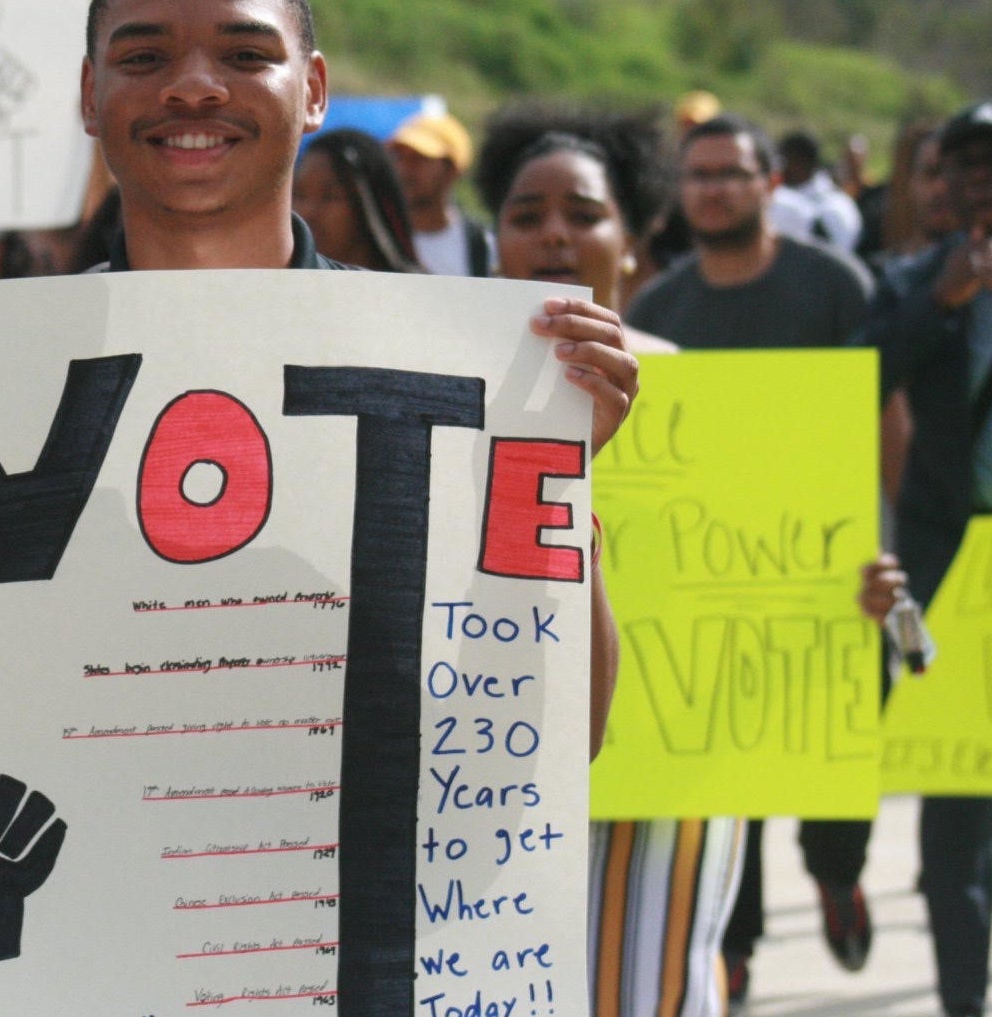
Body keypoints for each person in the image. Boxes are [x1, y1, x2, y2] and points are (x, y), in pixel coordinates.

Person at [0, 0, 636, 772]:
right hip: (88, 937)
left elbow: (561, 732)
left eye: (247, 54)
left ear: (315, 88)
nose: (193, 86)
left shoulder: (448, 367)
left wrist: (553, 474)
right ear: (89, 95)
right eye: (143, 58)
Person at [479, 105, 747, 1017]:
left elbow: (760, 572)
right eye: (527, 213)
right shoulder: (441, 388)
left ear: (632, 241)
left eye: (584, 213)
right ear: (497, 240)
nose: (554, 231)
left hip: (667, 779)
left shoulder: (706, 394)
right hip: (487, 761)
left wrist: (846, 597)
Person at [624, 112, 875, 1008]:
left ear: (771, 184)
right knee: (736, 783)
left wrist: (867, 544)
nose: (713, 190)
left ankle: (838, 873)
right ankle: (736, 957)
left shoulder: (837, 286)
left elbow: (878, 421)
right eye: (697, 175)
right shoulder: (657, 309)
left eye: (731, 173)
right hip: (710, 584)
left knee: (833, 788)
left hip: (822, 581)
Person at [855, 98, 992, 1017]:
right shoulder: (910, 280)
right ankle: (966, 998)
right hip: (954, 566)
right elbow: (855, 382)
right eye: (963, 165)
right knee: (962, 799)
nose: (984, 181)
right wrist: (943, 301)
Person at [293, 126, 421, 272]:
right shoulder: (280, 287)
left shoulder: (414, 290)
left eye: (329, 197)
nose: (309, 211)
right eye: (299, 194)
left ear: (370, 206)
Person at [388, 109, 496, 277]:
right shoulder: (376, 238)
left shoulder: (485, 247)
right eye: (399, 157)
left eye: (420, 158)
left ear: (452, 169)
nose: (404, 170)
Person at [771, 130, 864, 254]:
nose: (778, 169)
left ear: (800, 162)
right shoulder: (836, 199)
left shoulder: (833, 207)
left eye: (783, 161)